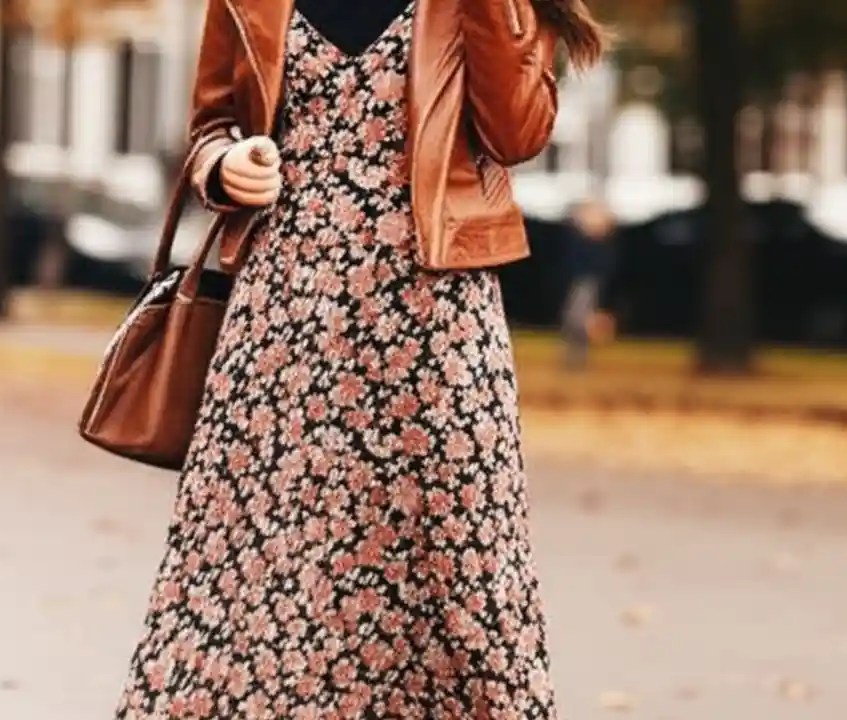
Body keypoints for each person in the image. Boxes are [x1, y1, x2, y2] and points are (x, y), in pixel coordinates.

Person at [112, 1, 605, 717]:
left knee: (457, 571)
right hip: (283, 319)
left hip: (435, 327)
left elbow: (517, 132)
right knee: (257, 570)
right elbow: (211, 128)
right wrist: (226, 166)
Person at [560, 197, 618, 370]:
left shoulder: (598, 248)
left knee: (578, 321)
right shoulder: (586, 245)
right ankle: (575, 359)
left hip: (588, 284)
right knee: (573, 321)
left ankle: (577, 360)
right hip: (582, 283)